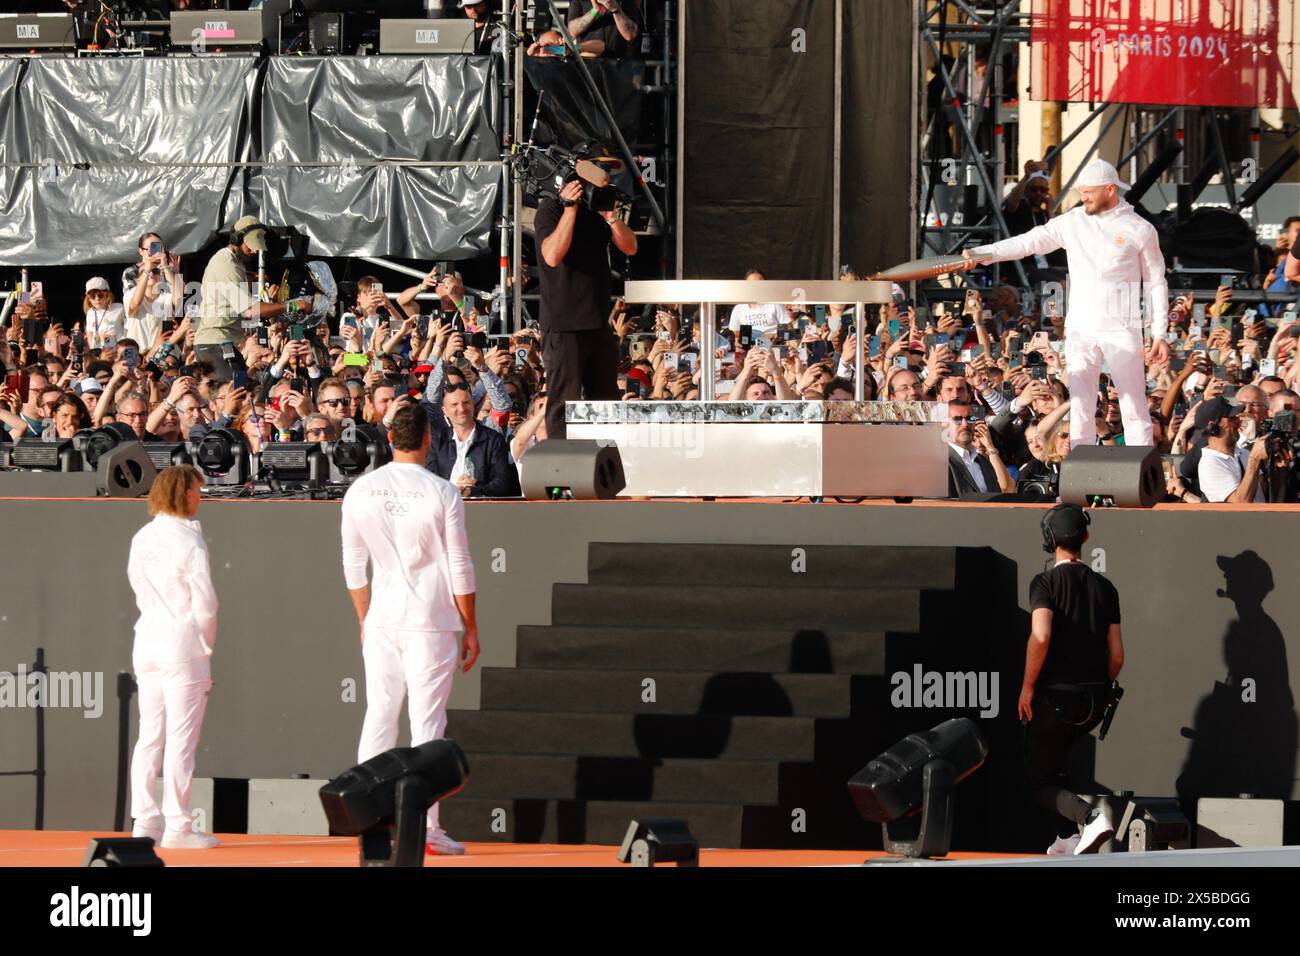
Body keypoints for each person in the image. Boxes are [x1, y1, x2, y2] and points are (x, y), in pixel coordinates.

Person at [340, 401, 480, 855]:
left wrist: (365, 619)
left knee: (379, 716)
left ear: (390, 439)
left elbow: (353, 567)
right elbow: (459, 563)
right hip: (430, 624)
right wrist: (471, 627)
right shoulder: (443, 492)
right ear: (427, 439)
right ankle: (425, 829)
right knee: (427, 725)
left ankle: (369, 822)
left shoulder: (361, 490)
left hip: (383, 621)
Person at [963, 159, 1170, 449]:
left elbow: (1156, 282)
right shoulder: (1072, 222)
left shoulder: (1140, 228)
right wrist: (983, 253)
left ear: (1110, 190)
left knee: (1133, 402)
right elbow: (1028, 242)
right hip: (1081, 328)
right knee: (1081, 404)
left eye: (1089, 192)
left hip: (1122, 328)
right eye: (1081, 191)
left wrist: (1159, 333)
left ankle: (1138, 466)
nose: (1082, 197)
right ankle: (1079, 469)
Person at [1020, 504, 1125, 856]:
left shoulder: (1045, 582)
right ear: (1086, 537)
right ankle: (1066, 838)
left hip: (1056, 700)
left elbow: (1041, 637)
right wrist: (1096, 684)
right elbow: (1117, 657)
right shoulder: (1106, 587)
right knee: (1058, 767)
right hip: (1093, 703)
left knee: (1040, 782)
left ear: (1049, 542)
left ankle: (1091, 818)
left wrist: (1028, 687)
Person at [127, 465, 220, 850]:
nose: (201, 497)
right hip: (182, 647)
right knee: (180, 740)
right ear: (182, 494)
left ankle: (145, 822)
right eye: (197, 491)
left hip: (148, 642)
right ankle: (178, 825)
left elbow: (136, 584)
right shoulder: (189, 543)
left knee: (150, 736)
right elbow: (206, 605)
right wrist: (205, 647)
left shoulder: (142, 537)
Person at [534, 166, 637, 440]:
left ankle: (606, 463)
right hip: (564, 323)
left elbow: (630, 247)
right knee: (563, 402)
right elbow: (552, 255)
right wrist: (570, 209)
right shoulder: (551, 208)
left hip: (598, 321)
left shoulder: (597, 210)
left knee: (605, 400)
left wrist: (611, 217)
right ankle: (561, 471)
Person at [195, 216, 311, 367]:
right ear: (237, 239)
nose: (255, 250)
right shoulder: (227, 264)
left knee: (243, 386)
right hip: (215, 343)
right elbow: (251, 311)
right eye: (250, 245)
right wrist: (293, 306)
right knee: (232, 390)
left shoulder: (234, 264)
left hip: (225, 342)